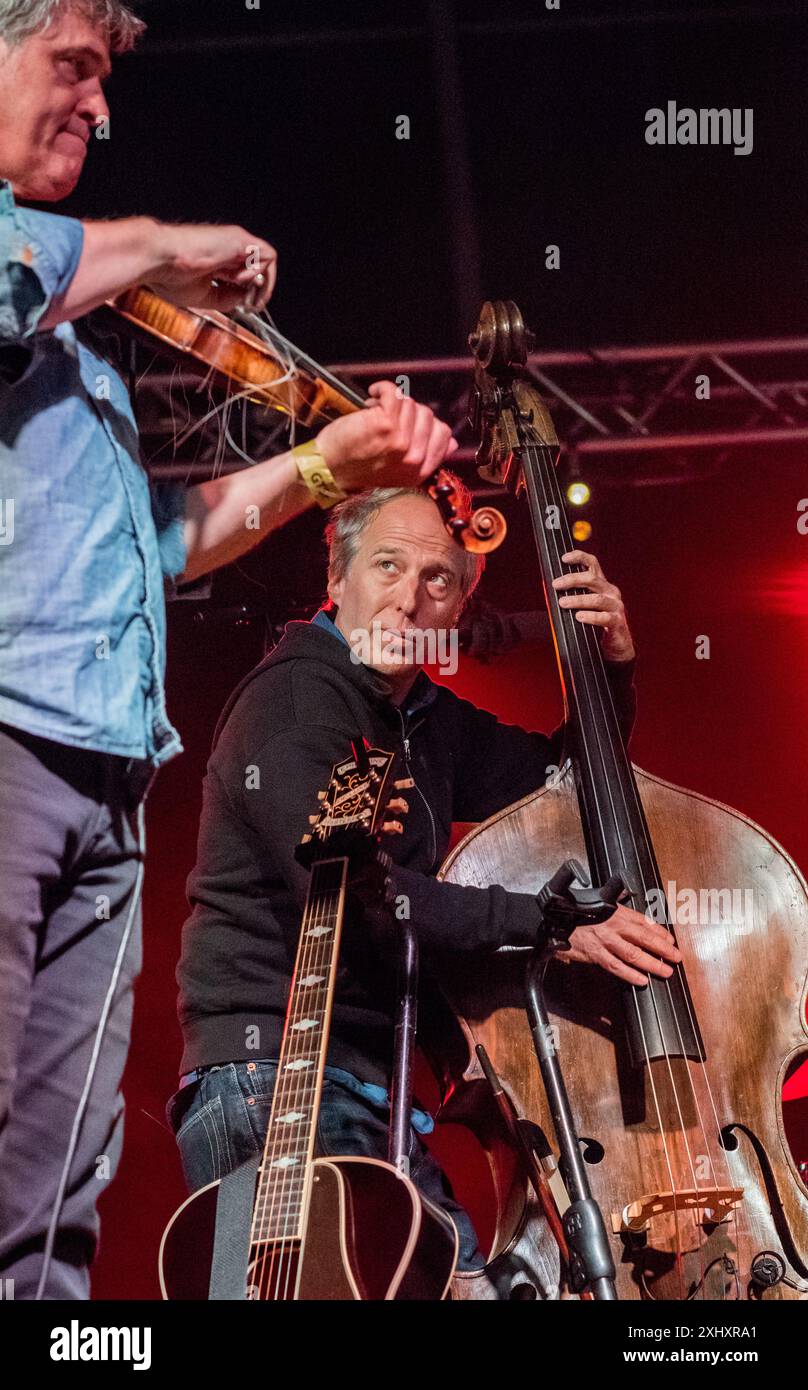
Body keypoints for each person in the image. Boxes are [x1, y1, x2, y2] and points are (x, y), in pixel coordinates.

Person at [0, 0, 457, 1299]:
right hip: (9, 756)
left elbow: (160, 544)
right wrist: (160, 247)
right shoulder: (52, 276)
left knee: (53, 1193)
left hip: (106, 786)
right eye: (73, 68)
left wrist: (327, 463)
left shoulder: (75, 355)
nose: (100, 107)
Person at [171, 482, 682, 1280]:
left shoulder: (424, 719)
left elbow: (569, 786)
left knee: (463, 1285)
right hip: (272, 1080)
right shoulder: (298, 696)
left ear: (456, 612)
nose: (410, 599)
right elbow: (359, 898)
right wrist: (554, 925)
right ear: (337, 583)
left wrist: (611, 665)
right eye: (387, 566)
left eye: (437, 580)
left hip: (375, 1090)